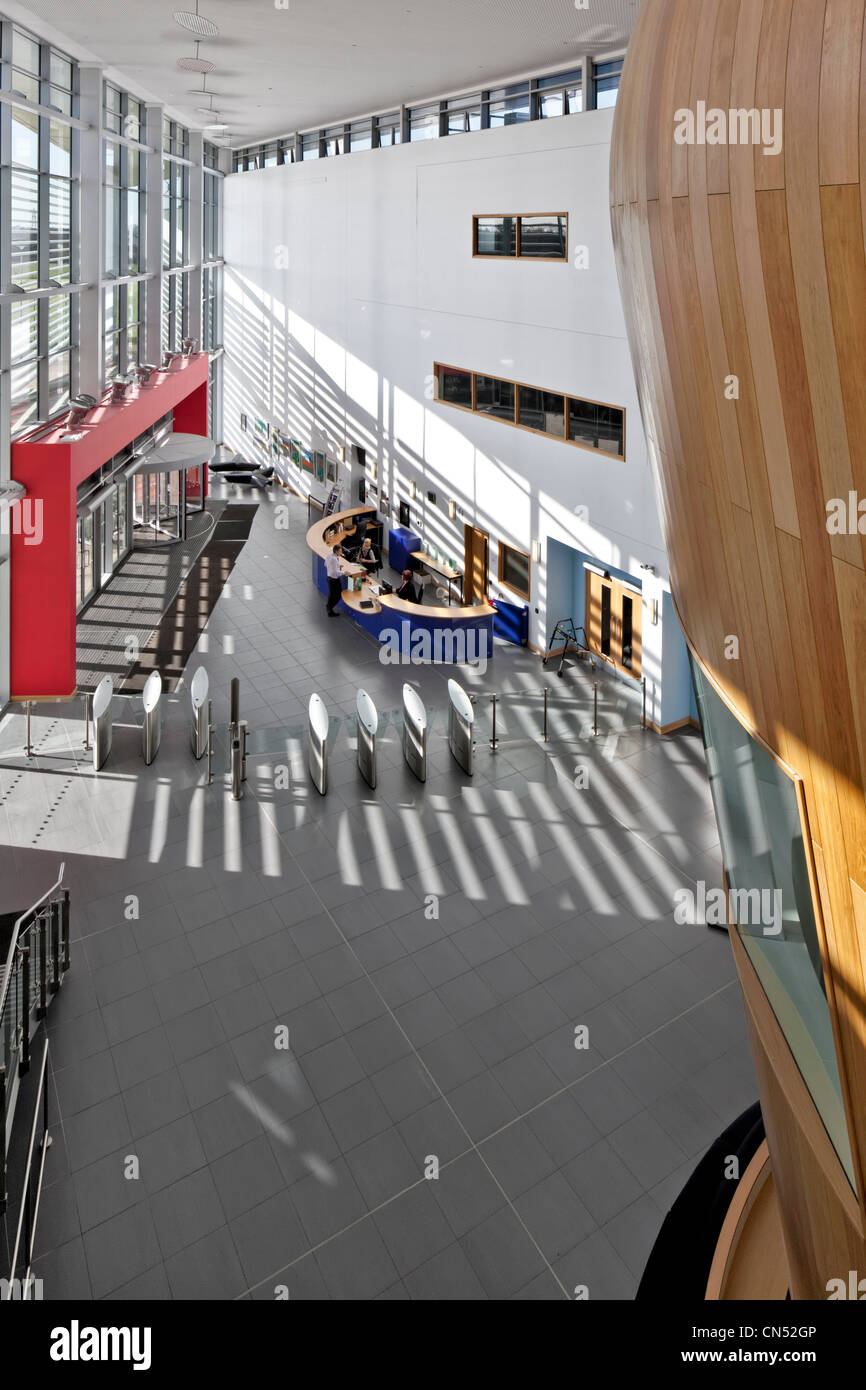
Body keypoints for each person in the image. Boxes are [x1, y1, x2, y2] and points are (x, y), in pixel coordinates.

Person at [325, 544, 344, 616]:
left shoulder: (329, 555)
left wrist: (337, 566)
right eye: (340, 551)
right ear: (336, 551)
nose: (341, 553)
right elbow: (336, 573)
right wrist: (344, 572)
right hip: (334, 580)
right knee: (337, 596)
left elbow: (326, 564)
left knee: (331, 594)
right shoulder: (335, 559)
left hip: (329, 578)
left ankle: (329, 608)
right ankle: (329, 608)